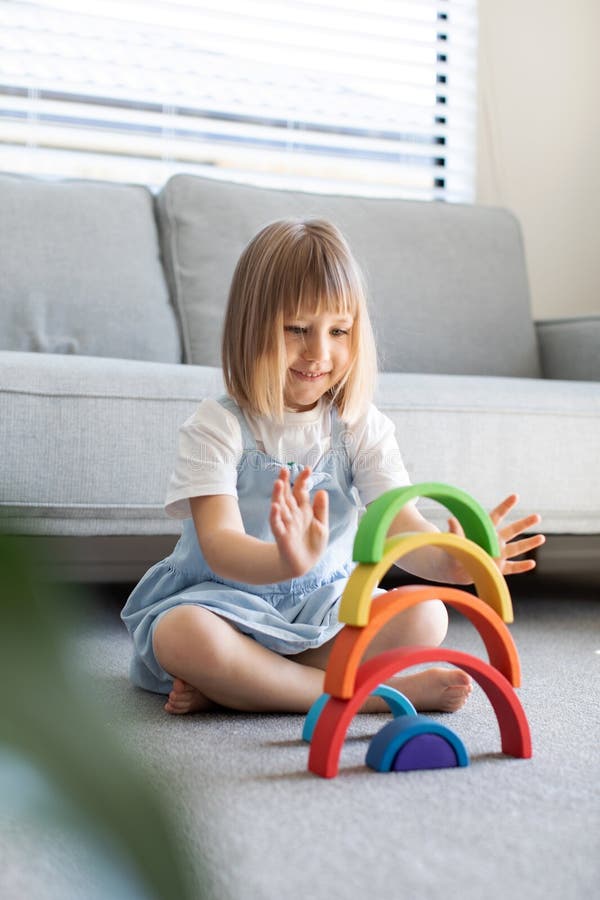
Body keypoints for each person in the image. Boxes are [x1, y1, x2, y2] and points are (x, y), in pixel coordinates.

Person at [121, 219, 544, 717]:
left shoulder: (359, 426)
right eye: (297, 329)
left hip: (322, 610)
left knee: (427, 615)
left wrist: (455, 562)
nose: (319, 353)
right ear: (250, 326)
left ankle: (251, 686)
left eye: (338, 331)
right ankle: (375, 696)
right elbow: (220, 548)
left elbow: (399, 528)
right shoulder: (217, 425)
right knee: (182, 636)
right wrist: (285, 561)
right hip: (225, 605)